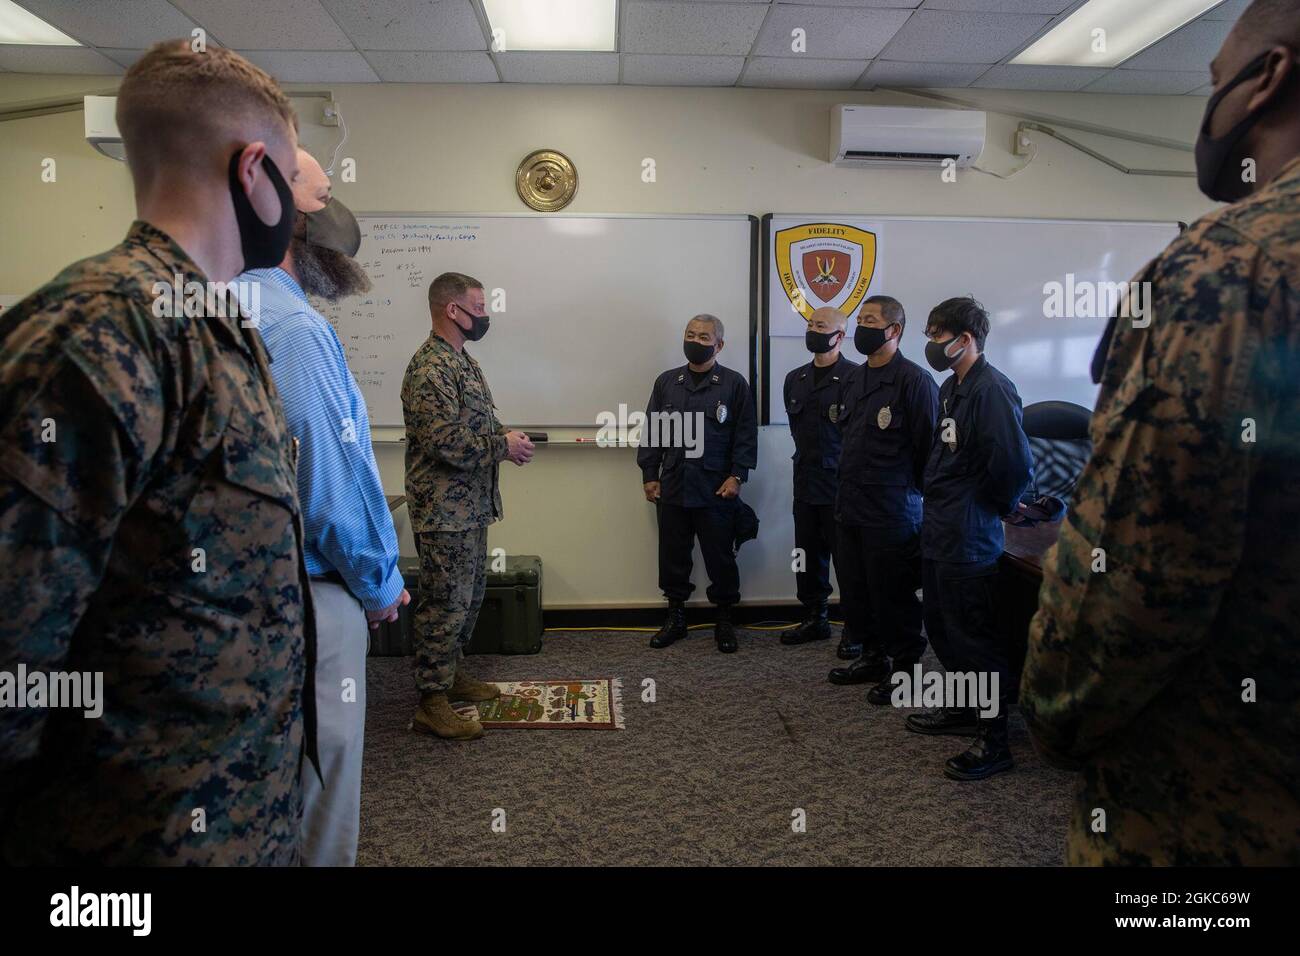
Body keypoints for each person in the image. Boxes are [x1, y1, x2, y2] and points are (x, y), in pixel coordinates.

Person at [0, 41, 314, 864]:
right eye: (290, 179)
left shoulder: (223, 334)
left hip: (237, 814)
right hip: (127, 844)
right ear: (255, 171)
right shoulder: (96, 333)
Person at [1020, 0, 1300, 865]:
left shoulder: (1233, 264)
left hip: (1224, 798)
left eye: (1215, 83)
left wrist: (1055, 715)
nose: (1208, 113)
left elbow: (1140, 573)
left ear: (1268, 81)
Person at [239, 147, 408, 865]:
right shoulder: (296, 329)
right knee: (322, 775)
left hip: (232, 595)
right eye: (323, 190)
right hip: (311, 592)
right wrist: (378, 583)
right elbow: (327, 485)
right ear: (291, 220)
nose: (338, 206)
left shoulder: (210, 298)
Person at [402, 272, 533, 741]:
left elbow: (479, 425)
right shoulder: (429, 369)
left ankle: (451, 674)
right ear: (452, 310)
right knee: (444, 602)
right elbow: (445, 442)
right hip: (443, 510)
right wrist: (502, 445)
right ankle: (431, 700)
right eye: (479, 308)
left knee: (470, 597)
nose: (486, 316)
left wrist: (505, 439)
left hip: (471, 507)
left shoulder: (464, 362)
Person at [910, 296, 1032, 781]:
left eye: (938, 335)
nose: (932, 344)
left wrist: (991, 508)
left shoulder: (992, 389)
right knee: (941, 627)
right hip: (939, 529)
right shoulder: (949, 386)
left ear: (966, 339)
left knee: (975, 639)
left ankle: (995, 740)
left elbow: (1012, 464)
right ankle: (963, 711)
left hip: (969, 533)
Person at [827, 296, 938, 702]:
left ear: (894, 330)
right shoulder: (855, 378)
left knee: (893, 595)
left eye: (870, 320)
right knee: (856, 592)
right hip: (850, 504)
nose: (862, 327)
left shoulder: (915, 381)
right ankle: (873, 657)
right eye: (860, 320)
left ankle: (906, 672)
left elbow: (929, 450)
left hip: (892, 510)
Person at [639, 315, 757, 653]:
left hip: (716, 488)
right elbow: (653, 432)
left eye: (704, 336)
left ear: (719, 345)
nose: (696, 340)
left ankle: (724, 619)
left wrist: (737, 475)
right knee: (673, 555)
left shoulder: (734, 384)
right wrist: (650, 474)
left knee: (720, 557)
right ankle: (676, 618)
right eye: (690, 334)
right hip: (673, 484)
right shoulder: (667, 382)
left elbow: (745, 436)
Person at [780, 307, 858, 656]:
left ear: (839, 336)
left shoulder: (856, 378)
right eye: (810, 324)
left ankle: (855, 630)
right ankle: (815, 618)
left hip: (842, 486)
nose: (813, 330)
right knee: (807, 556)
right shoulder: (794, 379)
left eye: (821, 326)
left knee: (849, 562)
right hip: (806, 481)